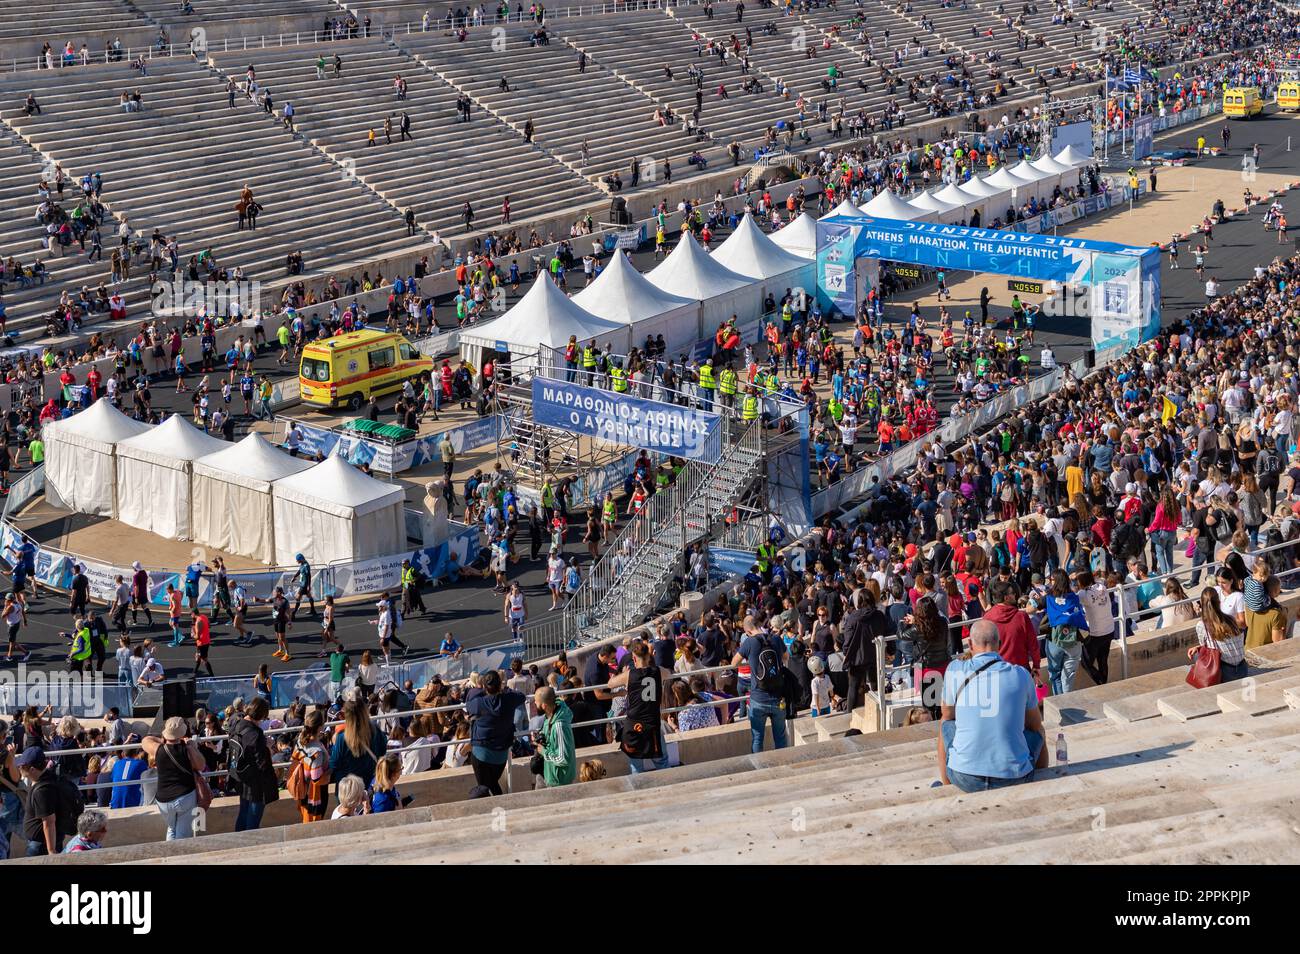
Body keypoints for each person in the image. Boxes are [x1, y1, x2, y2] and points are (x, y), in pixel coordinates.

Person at [937, 620, 1048, 792]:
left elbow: (948, 713)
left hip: (965, 776)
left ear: (970, 644)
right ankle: (1046, 782)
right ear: (1000, 644)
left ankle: (945, 786)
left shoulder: (955, 669)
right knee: (1040, 730)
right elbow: (1034, 725)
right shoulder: (1020, 674)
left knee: (945, 722)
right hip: (1014, 776)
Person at [609, 637, 671, 772]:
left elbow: (610, 684)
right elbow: (669, 673)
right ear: (649, 656)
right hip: (652, 723)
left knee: (636, 766)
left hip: (634, 724)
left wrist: (623, 673)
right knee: (662, 762)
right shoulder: (658, 671)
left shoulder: (629, 675)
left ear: (633, 658)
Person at [732, 616, 790, 753]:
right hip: (778, 698)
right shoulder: (776, 638)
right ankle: (784, 765)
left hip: (758, 698)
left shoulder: (749, 643)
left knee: (758, 738)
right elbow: (786, 657)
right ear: (759, 624)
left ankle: (759, 769)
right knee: (780, 738)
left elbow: (734, 663)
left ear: (747, 632)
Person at [141, 718, 204, 840]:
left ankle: (170, 856)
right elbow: (200, 765)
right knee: (183, 834)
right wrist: (192, 746)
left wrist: (162, 740)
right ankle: (180, 857)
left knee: (171, 828)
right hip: (185, 797)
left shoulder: (158, 749)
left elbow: (145, 740)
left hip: (163, 800)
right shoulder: (186, 749)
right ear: (182, 732)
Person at [465, 669, 525, 795]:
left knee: (484, 788)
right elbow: (522, 696)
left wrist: (481, 691)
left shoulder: (479, 703)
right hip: (501, 755)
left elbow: (468, 704)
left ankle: (497, 808)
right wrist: (506, 689)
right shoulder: (510, 699)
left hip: (480, 753)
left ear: (485, 687)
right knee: (491, 784)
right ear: (500, 685)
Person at [16, 746, 79, 856]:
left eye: (22, 766)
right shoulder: (48, 778)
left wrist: (51, 851)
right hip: (43, 842)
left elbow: (49, 822)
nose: (19, 768)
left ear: (32, 769)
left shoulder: (43, 790)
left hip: (41, 846)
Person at [228, 697, 279, 831]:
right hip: (255, 784)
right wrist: (267, 747)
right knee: (253, 820)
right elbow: (262, 764)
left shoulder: (237, 724)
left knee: (243, 813)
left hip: (241, 778)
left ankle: (239, 841)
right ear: (262, 715)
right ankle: (249, 846)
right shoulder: (256, 735)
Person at [329, 698, 388, 793]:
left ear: (347, 716)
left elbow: (334, 763)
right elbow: (383, 751)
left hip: (348, 788)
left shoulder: (342, 737)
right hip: (370, 785)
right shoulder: (376, 731)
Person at [1190, 589, 1248, 683]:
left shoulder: (1202, 625)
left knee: (1197, 655)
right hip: (1242, 669)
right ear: (1219, 602)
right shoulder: (1231, 619)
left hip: (1225, 673)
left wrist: (1198, 648)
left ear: (1202, 604)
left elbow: (1205, 648)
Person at [533, 685, 576, 787]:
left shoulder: (559, 726)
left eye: (536, 701)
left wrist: (543, 751)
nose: (534, 703)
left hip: (559, 781)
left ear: (544, 706)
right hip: (552, 776)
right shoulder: (551, 716)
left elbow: (563, 759)